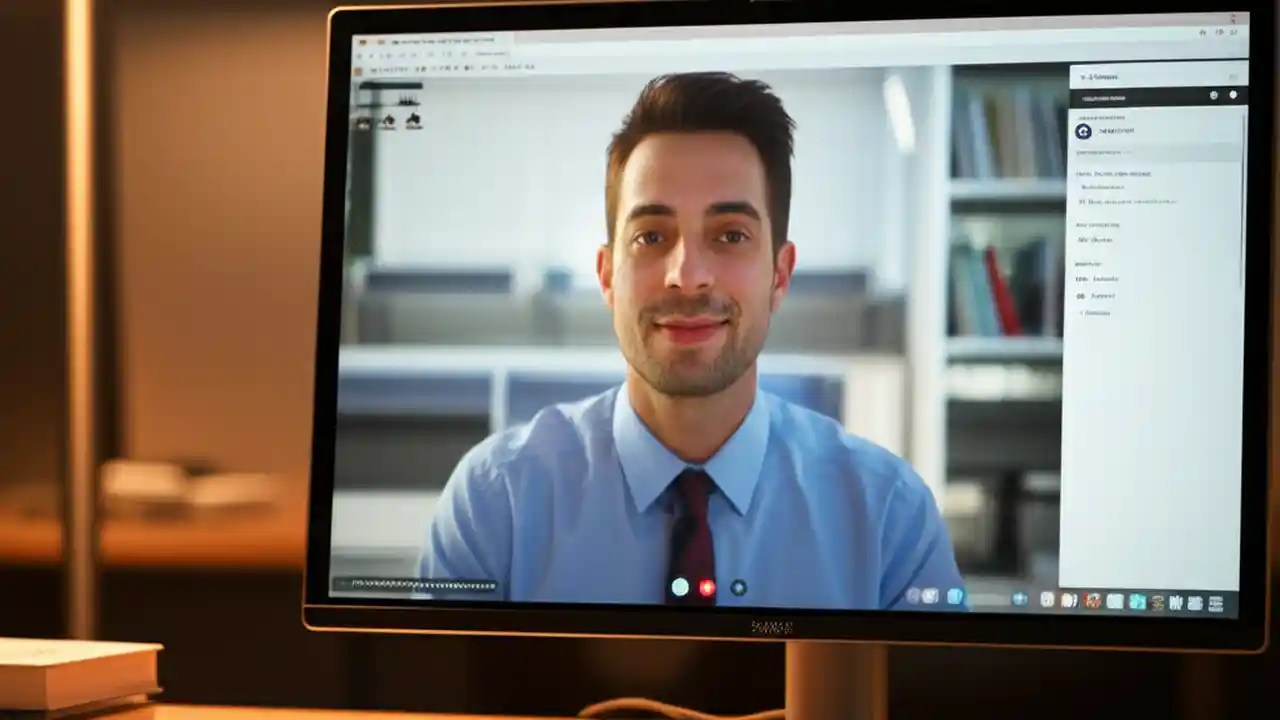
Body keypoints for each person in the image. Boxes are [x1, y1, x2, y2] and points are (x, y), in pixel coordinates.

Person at [419, 72, 965, 610]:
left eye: (730, 235)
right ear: (608, 276)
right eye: (651, 237)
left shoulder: (887, 516)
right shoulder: (496, 504)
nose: (687, 274)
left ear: (779, 275)